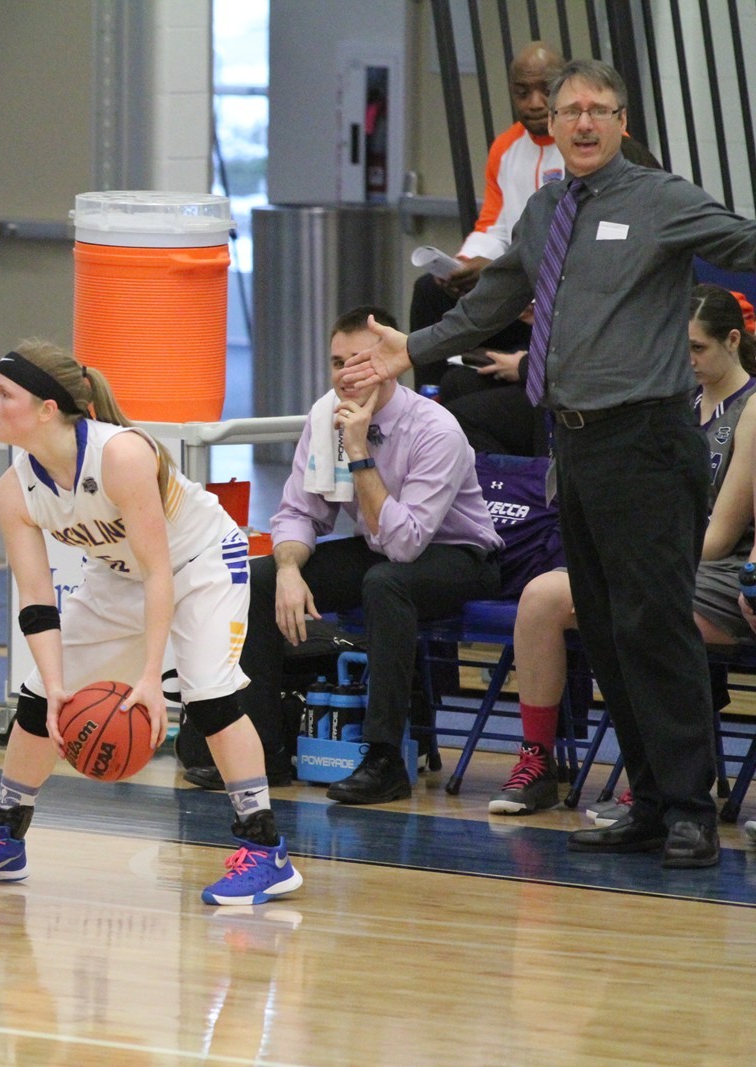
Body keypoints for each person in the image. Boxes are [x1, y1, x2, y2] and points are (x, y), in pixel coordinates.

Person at [348, 59, 756, 869]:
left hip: (645, 440)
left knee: (654, 626)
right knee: (604, 629)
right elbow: (494, 301)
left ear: (621, 122)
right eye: (570, 110)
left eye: (598, 110)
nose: (581, 123)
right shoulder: (544, 212)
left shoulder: (662, 199)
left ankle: (688, 809)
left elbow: (743, 244)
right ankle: (645, 799)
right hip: (574, 443)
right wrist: (412, 349)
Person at [0, 341, 302, 906]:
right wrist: (59, 685)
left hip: (198, 561)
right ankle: (5, 835)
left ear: (47, 409)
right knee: (37, 699)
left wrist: (152, 675)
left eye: (3, 394)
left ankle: (265, 849)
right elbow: (36, 601)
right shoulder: (13, 489)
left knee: (207, 694)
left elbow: (162, 573)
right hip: (121, 574)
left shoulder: (123, 455)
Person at [488, 284, 756, 815]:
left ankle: (660, 777)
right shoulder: (672, 402)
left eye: (697, 349)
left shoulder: (751, 408)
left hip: (723, 570)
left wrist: (634, 558)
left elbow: (720, 536)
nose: (687, 362)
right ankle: (537, 763)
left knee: (639, 612)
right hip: (659, 560)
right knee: (543, 596)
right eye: (676, 351)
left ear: (733, 340)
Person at [242, 306, 503, 803]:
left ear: (388, 365)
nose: (345, 375)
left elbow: (406, 545)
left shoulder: (436, 430)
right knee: (261, 579)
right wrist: (290, 568)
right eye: (337, 362)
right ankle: (262, 751)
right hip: (382, 548)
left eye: (358, 362)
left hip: (460, 556)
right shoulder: (325, 416)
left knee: (385, 583)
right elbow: (299, 512)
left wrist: (359, 451)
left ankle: (383, 759)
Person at [409, 42, 565, 388]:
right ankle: (425, 401)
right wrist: (464, 264)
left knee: (462, 387)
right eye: (523, 93)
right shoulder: (506, 148)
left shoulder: (583, 145)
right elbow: (494, 227)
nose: (535, 103)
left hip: (560, 305)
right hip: (514, 295)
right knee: (431, 292)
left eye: (547, 90)